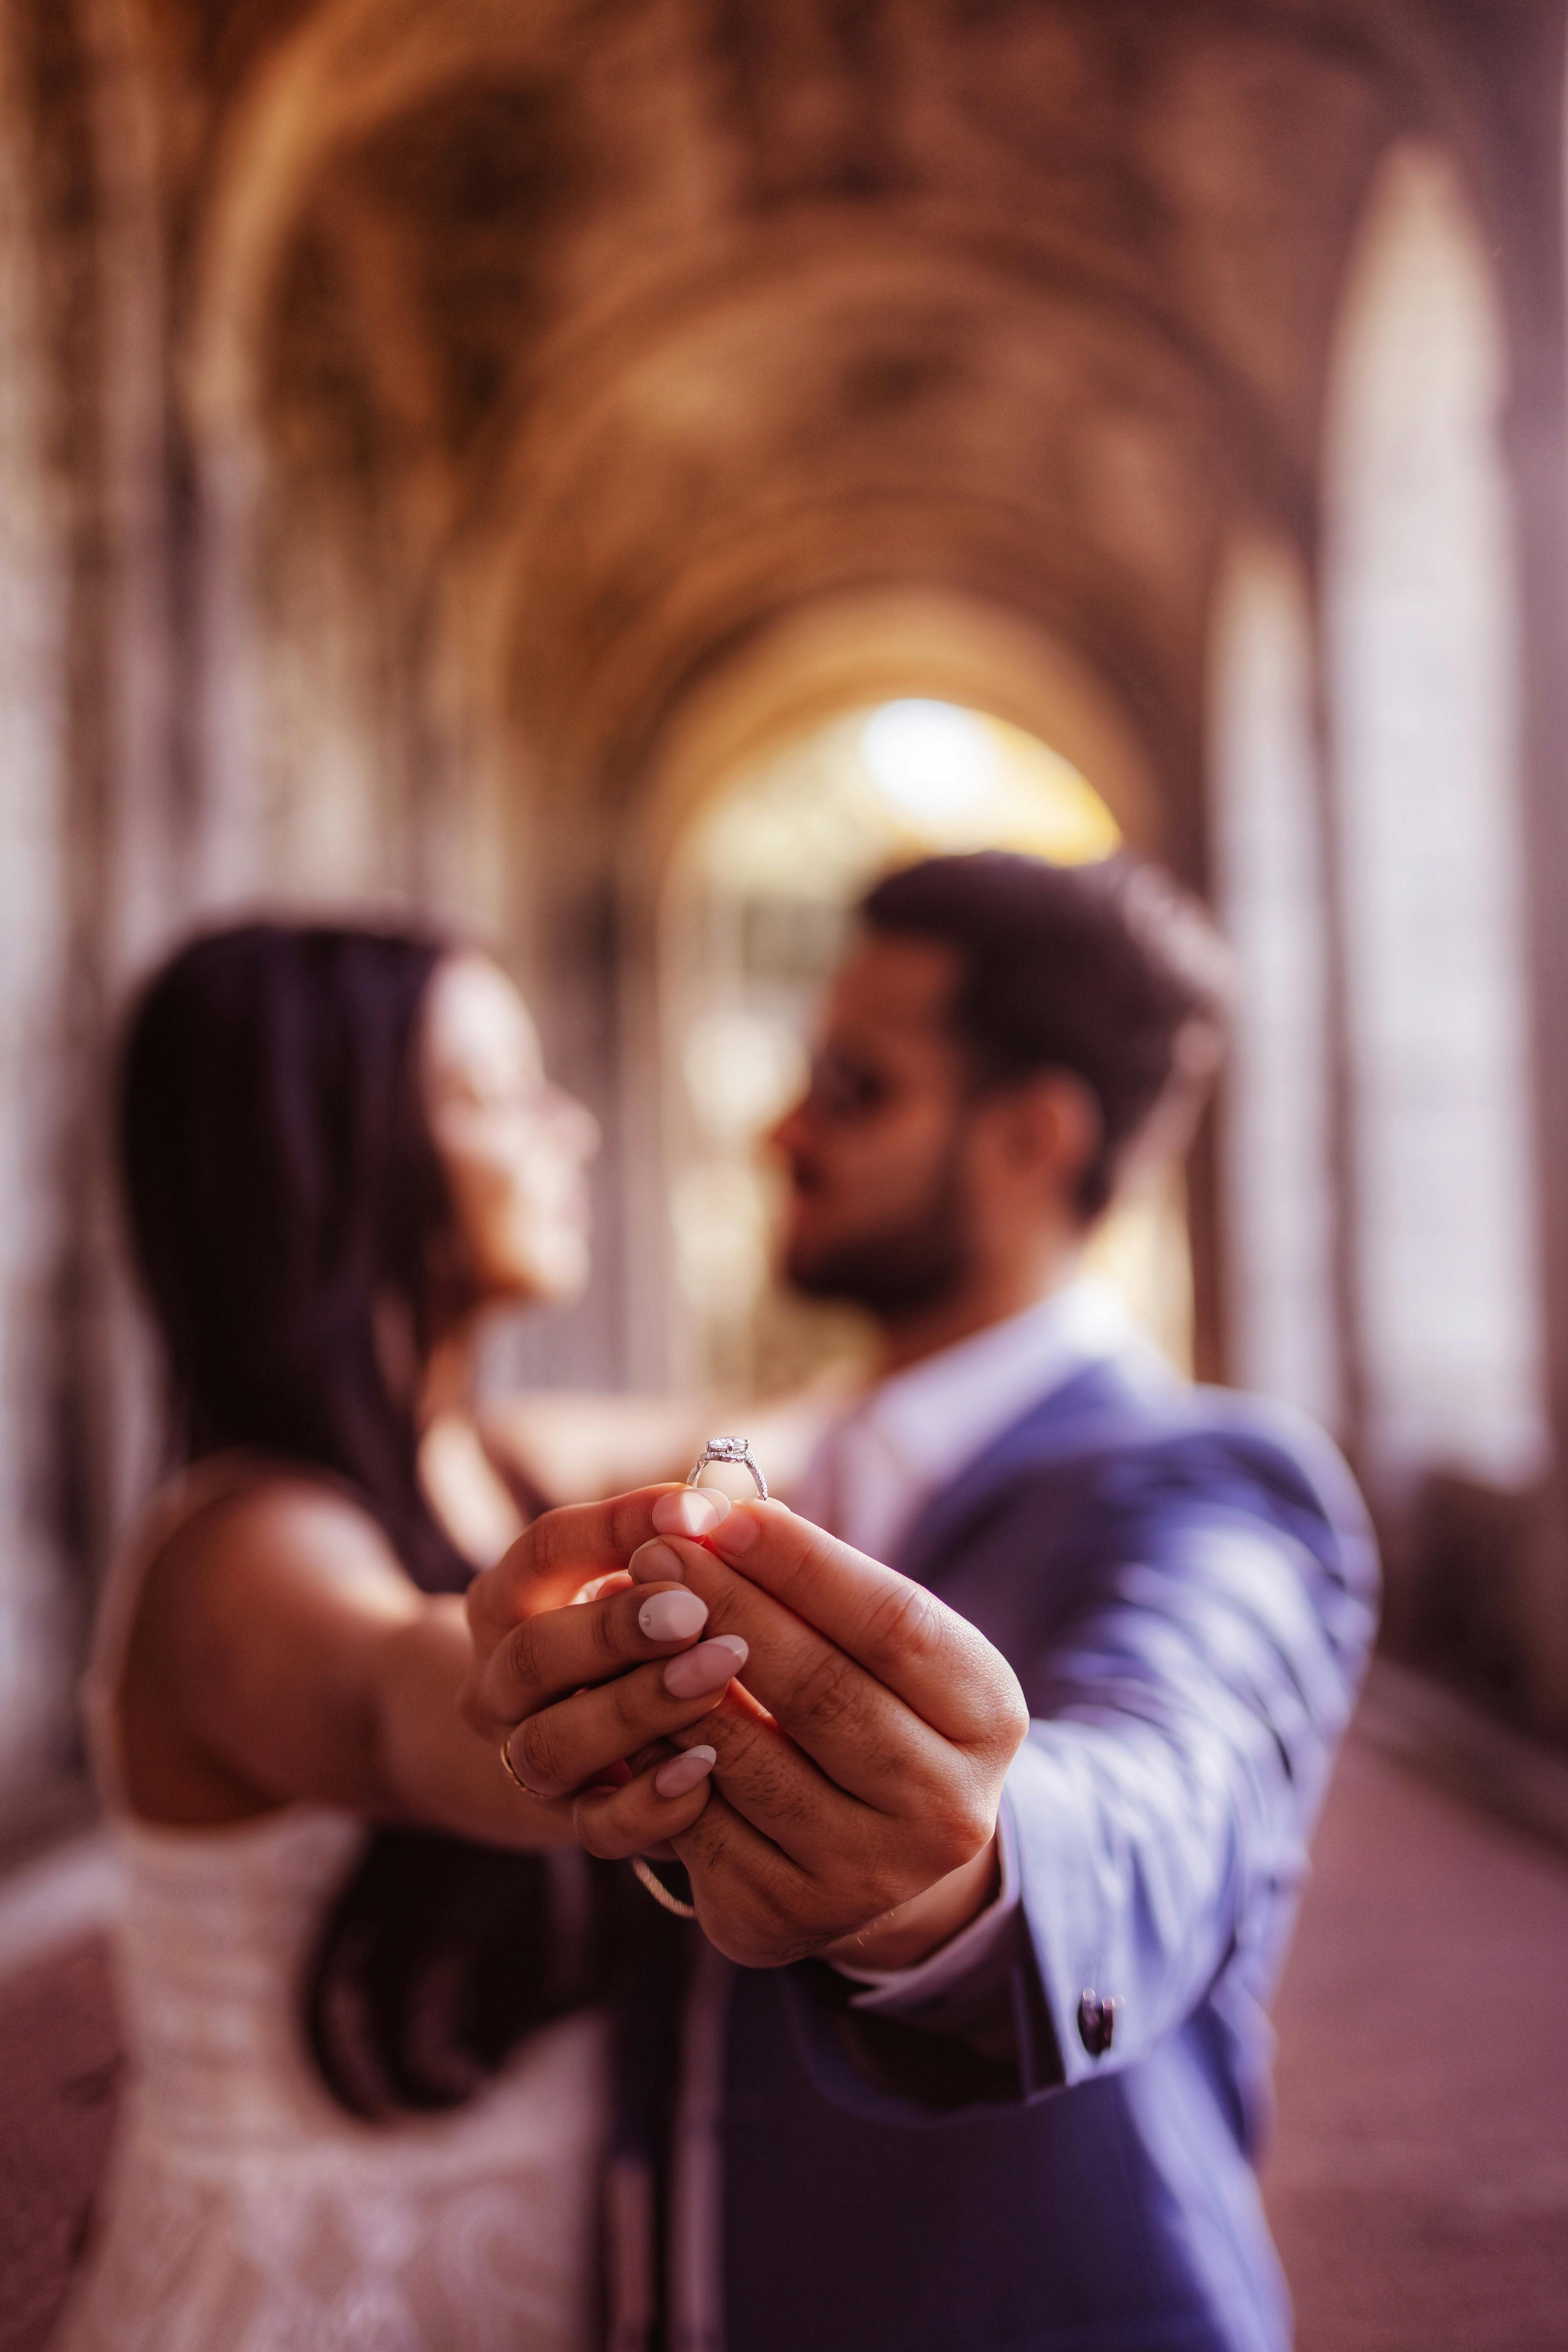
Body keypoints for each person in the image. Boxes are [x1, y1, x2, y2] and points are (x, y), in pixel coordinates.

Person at [465, 850, 1379, 2352]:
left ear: (1031, 1135)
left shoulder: (1214, 1480)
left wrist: (972, 1872)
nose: (784, 1128)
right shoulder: (759, 1462)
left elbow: (1172, 1781)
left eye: (853, 1083)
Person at [53, 922, 756, 2352]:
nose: (571, 1128)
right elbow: (405, 1696)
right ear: (335, 1153)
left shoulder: (490, 1461)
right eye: (496, 1093)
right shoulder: (243, 1556)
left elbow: (811, 1427)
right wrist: (644, 1694)